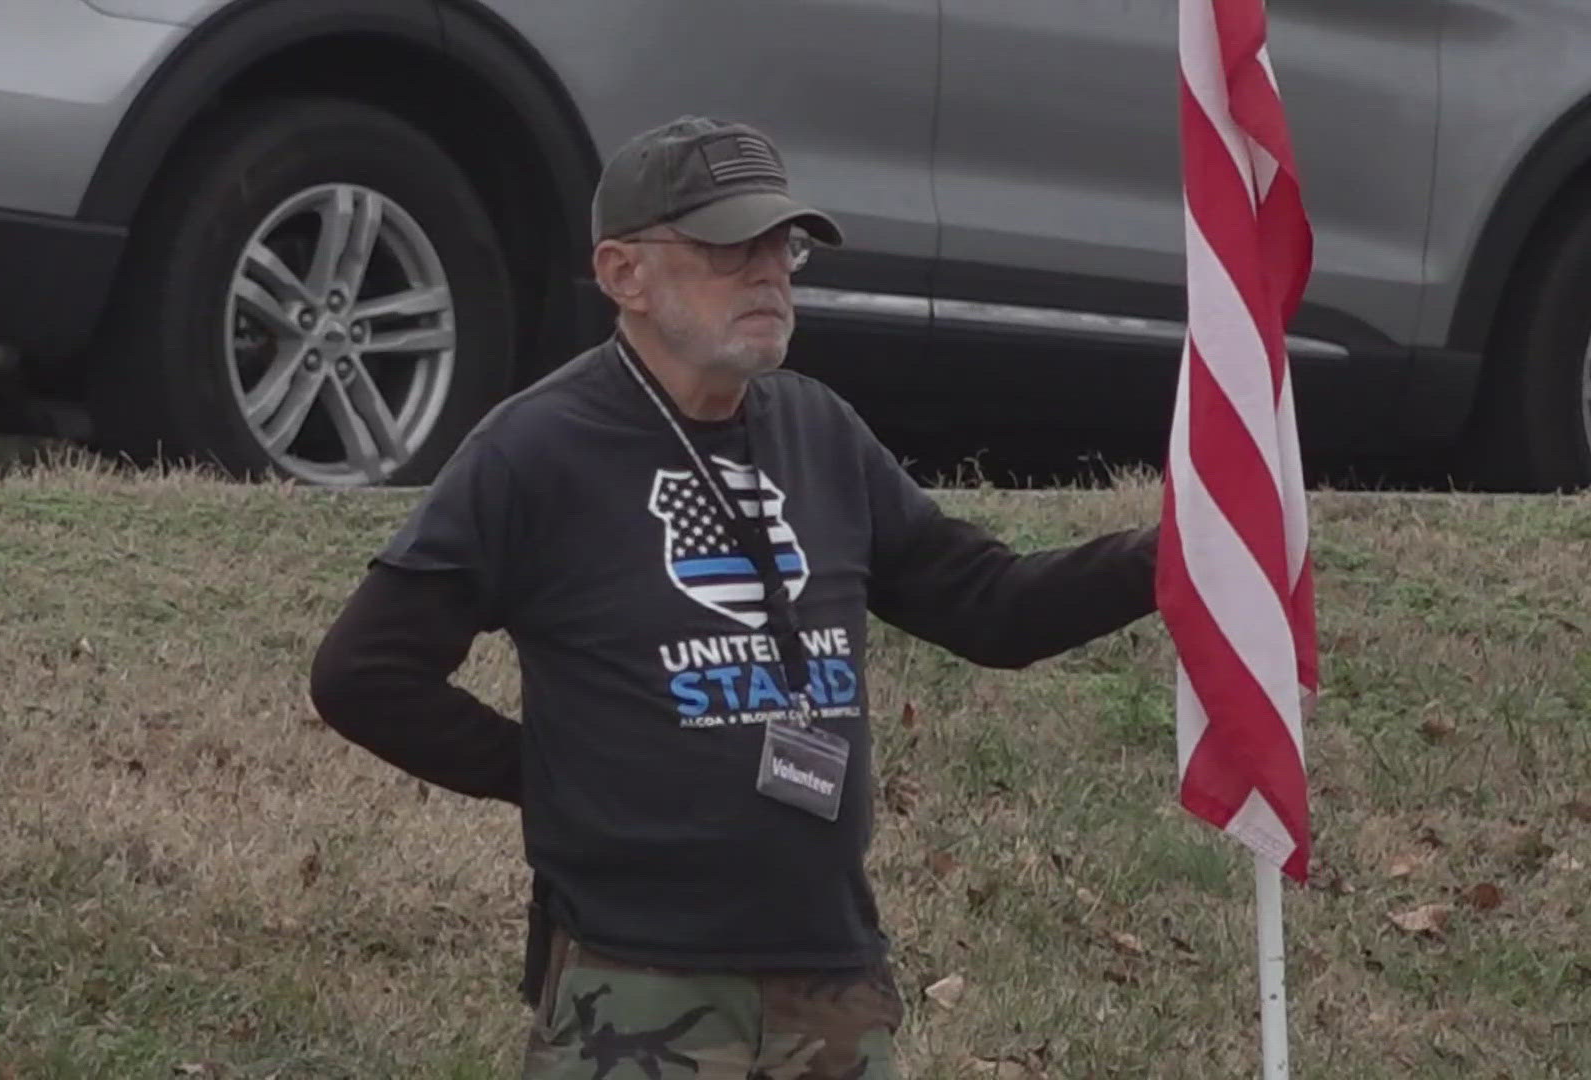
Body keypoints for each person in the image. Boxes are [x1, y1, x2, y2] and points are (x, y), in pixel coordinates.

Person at [309, 115, 1160, 1079]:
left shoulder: (818, 429)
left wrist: (1167, 561)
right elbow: (364, 674)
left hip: (830, 968)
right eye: (728, 246)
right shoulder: (534, 453)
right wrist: (547, 773)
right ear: (623, 273)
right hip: (638, 976)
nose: (769, 272)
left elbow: (989, 607)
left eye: (781, 244)